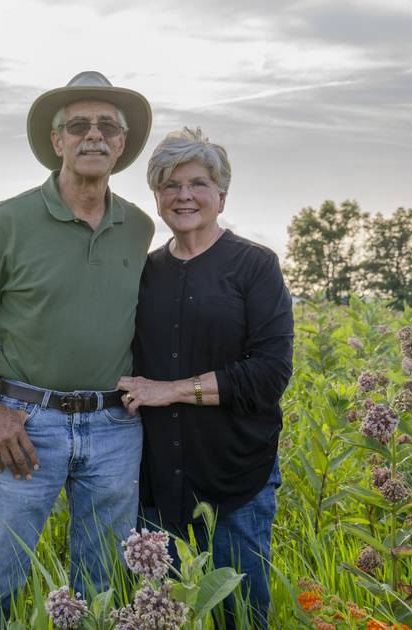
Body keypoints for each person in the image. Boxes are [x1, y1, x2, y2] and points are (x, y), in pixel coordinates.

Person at [0, 71, 154, 622]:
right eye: (79, 125)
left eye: (107, 126)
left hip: (114, 427)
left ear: (122, 143)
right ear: (57, 141)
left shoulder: (139, 226)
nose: (94, 135)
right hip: (25, 426)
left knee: (104, 581)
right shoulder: (7, 221)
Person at [117, 127, 294, 629]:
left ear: (221, 194)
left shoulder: (255, 266)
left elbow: (269, 373)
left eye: (197, 183)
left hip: (236, 475)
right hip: (156, 482)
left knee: (237, 614)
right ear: (156, 197)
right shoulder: (145, 271)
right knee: (162, 614)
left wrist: (168, 390)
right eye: (170, 185)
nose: (184, 196)